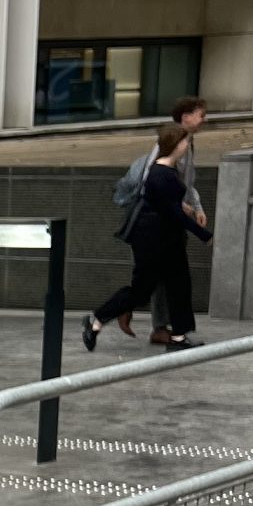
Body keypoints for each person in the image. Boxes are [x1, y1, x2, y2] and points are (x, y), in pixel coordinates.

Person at [83, 121, 209, 352]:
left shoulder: (169, 172)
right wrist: (204, 235)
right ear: (174, 145)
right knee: (141, 289)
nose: (186, 145)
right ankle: (97, 319)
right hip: (152, 241)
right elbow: (174, 212)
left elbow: (175, 208)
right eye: (184, 141)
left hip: (168, 240)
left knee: (179, 286)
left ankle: (180, 336)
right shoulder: (160, 175)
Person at [112, 96, 207, 341]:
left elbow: (187, 182)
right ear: (186, 117)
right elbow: (152, 181)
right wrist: (181, 206)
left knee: (165, 276)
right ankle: (151, 323)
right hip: (159, 223)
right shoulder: (170, 142)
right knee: (157, 276)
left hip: (170, 219)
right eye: (200, 114)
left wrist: (196, 207)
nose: (204, 119)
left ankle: (165, 327)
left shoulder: (187, 142)